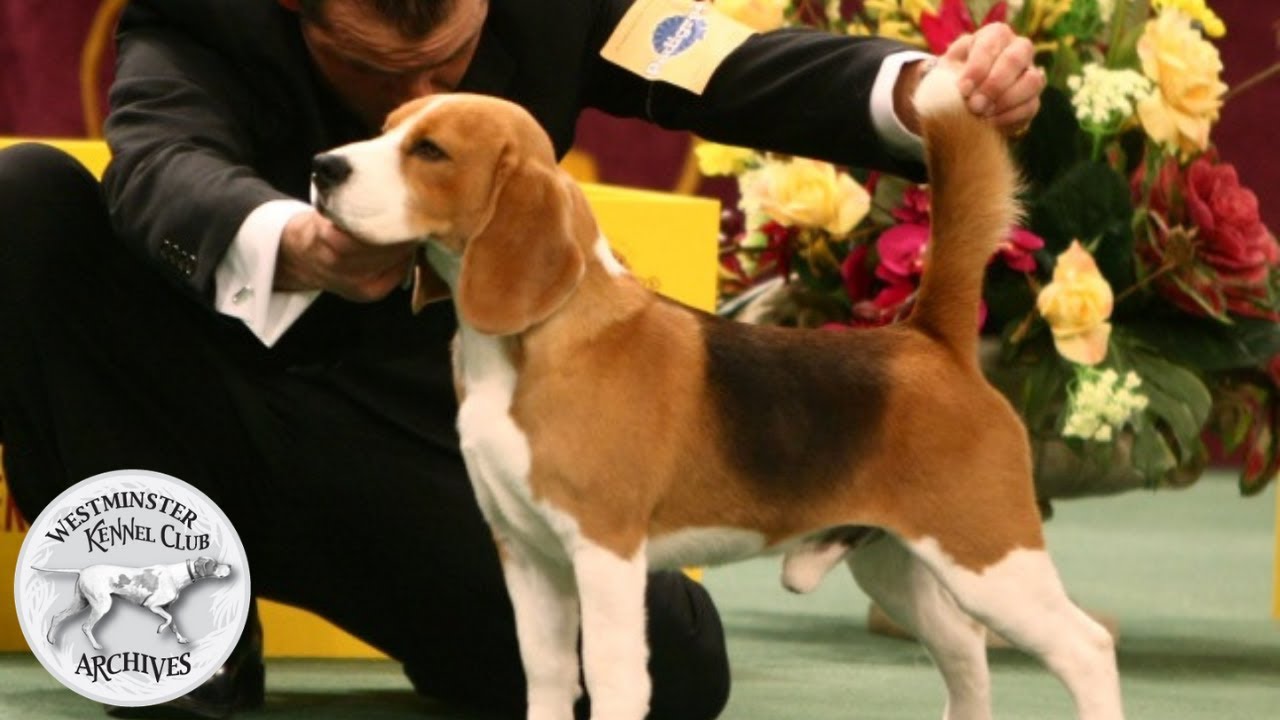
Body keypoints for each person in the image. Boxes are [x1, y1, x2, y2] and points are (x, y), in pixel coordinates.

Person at [0, 0, 1044, 717]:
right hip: (194, 410)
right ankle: (177, 614)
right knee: (26, 202)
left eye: (448, 65)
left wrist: (924, 94)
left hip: (423, 442)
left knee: (673, 674)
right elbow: (160, 161)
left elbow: (729, 66)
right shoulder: (198, 13)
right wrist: (292, 243)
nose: (415, 90)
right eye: (373, 68)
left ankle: (407, 604)